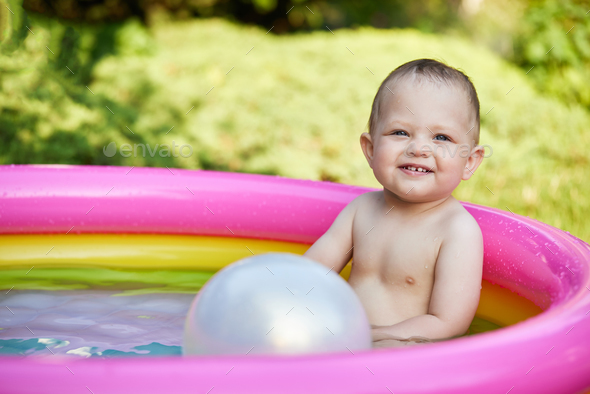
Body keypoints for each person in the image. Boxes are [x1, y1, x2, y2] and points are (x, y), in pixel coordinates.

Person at [304, 58, 485, 349]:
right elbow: (308, 275)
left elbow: (448, 324)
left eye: (442, 137)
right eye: (400, 132)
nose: (419, 148)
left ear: (470, 162)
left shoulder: (457, 231)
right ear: (371, 149)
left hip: (403, 362)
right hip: (341, 344)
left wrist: (373, 335)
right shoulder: (360, 211)